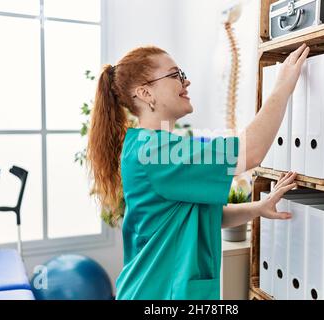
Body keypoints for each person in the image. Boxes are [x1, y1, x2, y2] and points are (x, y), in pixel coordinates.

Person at [86, 43, 310, 299]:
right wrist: (283, 86)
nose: (186, 81)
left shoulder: (149, 146)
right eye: (175, 75)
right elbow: (250, 151)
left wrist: (257, 208)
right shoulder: (156, 151)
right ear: (146, 93)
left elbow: (199, 215)